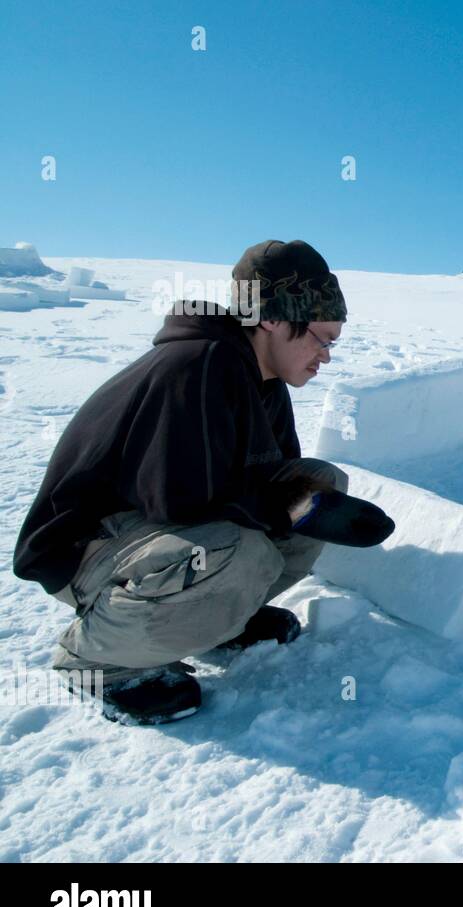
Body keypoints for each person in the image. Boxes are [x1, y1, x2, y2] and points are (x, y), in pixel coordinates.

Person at [13, 239, 395, 723]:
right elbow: (180, 499)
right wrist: (297, 510)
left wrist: (313, 506)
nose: (326, 356)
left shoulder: (265, 381)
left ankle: (214, 621)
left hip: (150, 539)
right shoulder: (197, 364)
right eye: (322, 337)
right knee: (243, 547)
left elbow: (276, 480)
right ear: (274, 318)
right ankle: (99, 660)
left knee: (319, 483)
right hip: (86, 552)